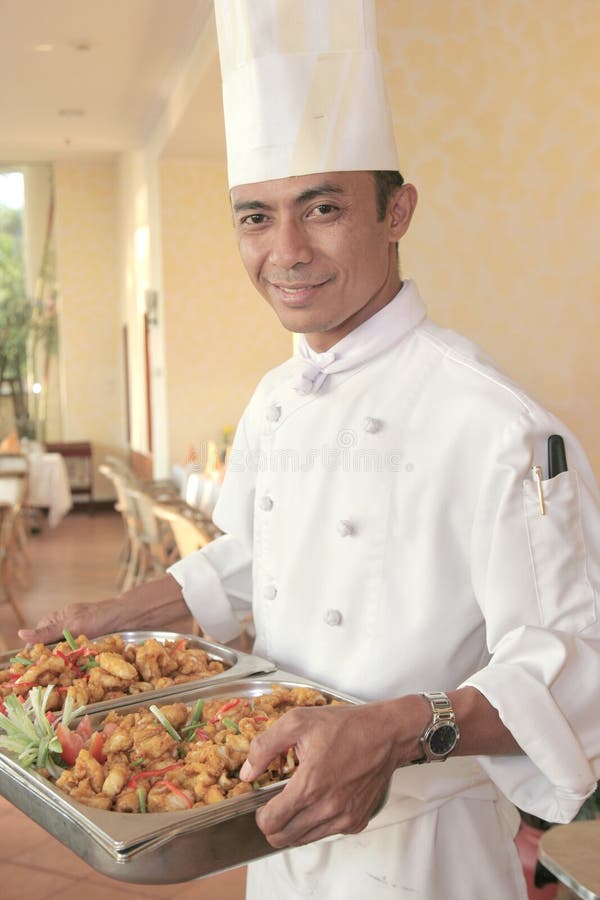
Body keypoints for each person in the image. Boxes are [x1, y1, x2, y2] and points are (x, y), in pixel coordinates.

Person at [19, 2, 600, 898]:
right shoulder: (275, 398)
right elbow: (257, 559)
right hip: (273, 832)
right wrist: (115, 619)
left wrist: (396, 731)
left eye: (322, 208)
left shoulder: (499, 426)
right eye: (256, 218)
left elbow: (574, 668)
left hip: (428, 855)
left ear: (397, 211)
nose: (286, 251)